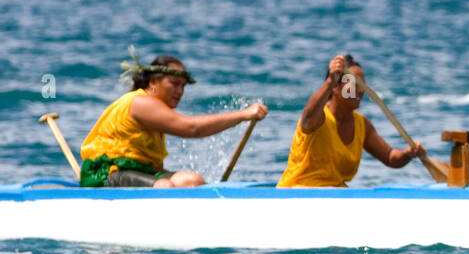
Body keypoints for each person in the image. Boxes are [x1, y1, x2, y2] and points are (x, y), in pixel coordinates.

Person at [80, 51, 267, 188]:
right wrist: (243, 115)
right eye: (174, 84)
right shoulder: (140, 103)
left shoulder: (150, 105)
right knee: (164, 187)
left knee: (192, 180)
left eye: (183, 86)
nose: (180, 91)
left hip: (140, 171)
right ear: (153, 82)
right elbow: (191, 128)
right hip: (106, 175)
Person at [278, 54, 427, 187]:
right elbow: (307, 118)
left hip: (335, 195)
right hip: (298, 192)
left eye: (362, 84)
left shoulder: (362, 124)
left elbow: (389, 156)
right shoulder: (319, 116)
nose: (361, 90)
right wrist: (330, 81)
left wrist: (408, 153)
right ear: (336, 87)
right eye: (354, 84)